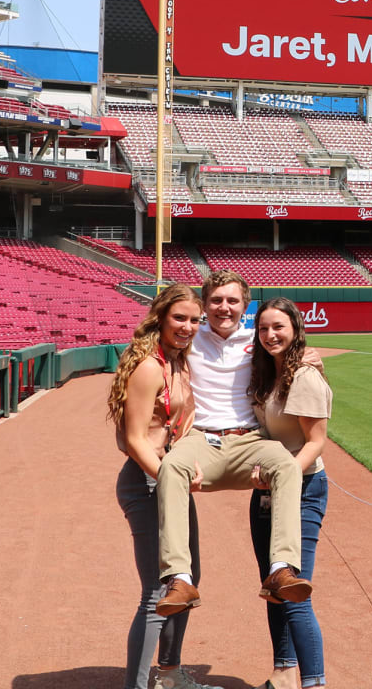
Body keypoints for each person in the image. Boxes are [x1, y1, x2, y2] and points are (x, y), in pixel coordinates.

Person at [153, 271, 314, 615]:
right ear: (205, 303)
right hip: (201, 439)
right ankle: (180, 578)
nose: (223, 308)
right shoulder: (190, 338)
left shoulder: (256, 340)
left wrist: (307, 356)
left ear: (245, 306)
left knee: (286, 464)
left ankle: (280, 570)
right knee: (170, 467)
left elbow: (289, 350)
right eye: (216, 300)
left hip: (249, 440)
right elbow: (149, 348)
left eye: (232, 301)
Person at [108, 285, 216, 689]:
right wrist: (170, 477)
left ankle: (169, 675)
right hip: (146, 482)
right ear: (160, 317)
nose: (188, 326)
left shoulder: (179, 361)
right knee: (157, 591)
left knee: (186, 581)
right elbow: (135, 439)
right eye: (180, 318)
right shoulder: (149, 367)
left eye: (194, 320)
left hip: (169, 483)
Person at [247, 298, 332, 689]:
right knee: (273, 587)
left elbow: (315, 442)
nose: (270, 335)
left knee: (295, 591)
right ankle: (284, 674)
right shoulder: (264, 373)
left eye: (278, 327)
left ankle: (314, 682)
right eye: (263, 328)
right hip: (268, 494)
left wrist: (283, 479)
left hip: (302, 489)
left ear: (296, 328)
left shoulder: (304, 375)